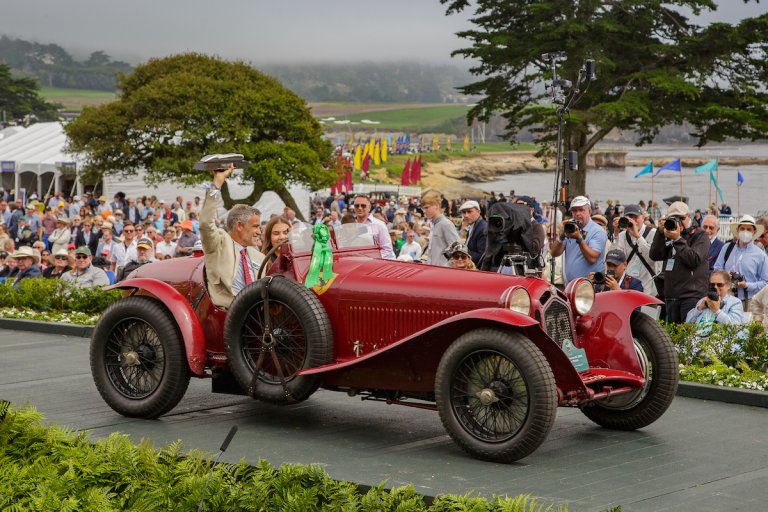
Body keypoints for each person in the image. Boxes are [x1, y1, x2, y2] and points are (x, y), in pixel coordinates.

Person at [200, 162, 265, 308]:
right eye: (255, 226)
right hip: (228, 312)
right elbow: (205, 223)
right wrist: (218, 182)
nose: (259, 232)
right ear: (240, 226)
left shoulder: (260, 257)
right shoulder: (219, 244)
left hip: (258, 314)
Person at [649, 201, 710, 323]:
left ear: (689, 216)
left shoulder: (700, 235)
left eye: (681, 218)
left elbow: (694, 259)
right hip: (671, 296)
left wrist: (677, 239)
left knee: (688, 333)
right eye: (675, 218)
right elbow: (655, 255)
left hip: (691, 296)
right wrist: (660, 233)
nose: (679, 222)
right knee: (673, 333)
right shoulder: (669, 234)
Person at [549, 196, 607, 284]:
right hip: (571, 285)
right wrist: (561, 236)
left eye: (581, 210)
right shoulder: (570, 227)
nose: (577, 213)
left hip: (590, 285)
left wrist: (579, 239)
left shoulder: (597, 231)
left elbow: (592, 258)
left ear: (590, 212)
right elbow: (554, 253)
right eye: (574, 210)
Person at [713, 214, 768, 307]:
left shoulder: (760, 255)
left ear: (754, 232)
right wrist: (725, 275)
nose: (745, 232)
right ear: (738, 230)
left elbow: (765, 282)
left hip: (749, 301)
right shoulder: (727, 248)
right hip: (726, 298)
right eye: (742, 229)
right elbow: (717, 269)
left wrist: (747, 285)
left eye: (749, 229)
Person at [612, 204, 658, 296]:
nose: (633, 220)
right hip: (629, 287)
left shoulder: (653, 233)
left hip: (648, 287)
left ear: (643, 217)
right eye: (629, 218)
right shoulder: (622, 235)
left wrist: (638, 236)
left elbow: (653, 257)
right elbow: (614, 258)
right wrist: (616, 233)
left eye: (636, 217)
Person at [422, 190, 459, 267]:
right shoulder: (434, 224)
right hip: (433, 269)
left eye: (427, 207)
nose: (424, 211)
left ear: (436, 206)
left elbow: (457, 250)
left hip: (442, 271)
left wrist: (446, 267)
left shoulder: (446, 224)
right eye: (423, 208)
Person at [352, 194, 395, 259]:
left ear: (369, 208)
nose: (359, 208)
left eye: (363, 206)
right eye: (357, 206)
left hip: (378, 262)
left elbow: (387, 249)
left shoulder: (379, 225)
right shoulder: (350, 225)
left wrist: (372, 259)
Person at [458, 200, 487, 267]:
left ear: (478, 212)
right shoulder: (473, 225)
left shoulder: (483, 229)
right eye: (464, 212)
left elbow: (482, 257)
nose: (466, 215)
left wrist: (463, 252)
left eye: (469, 211)